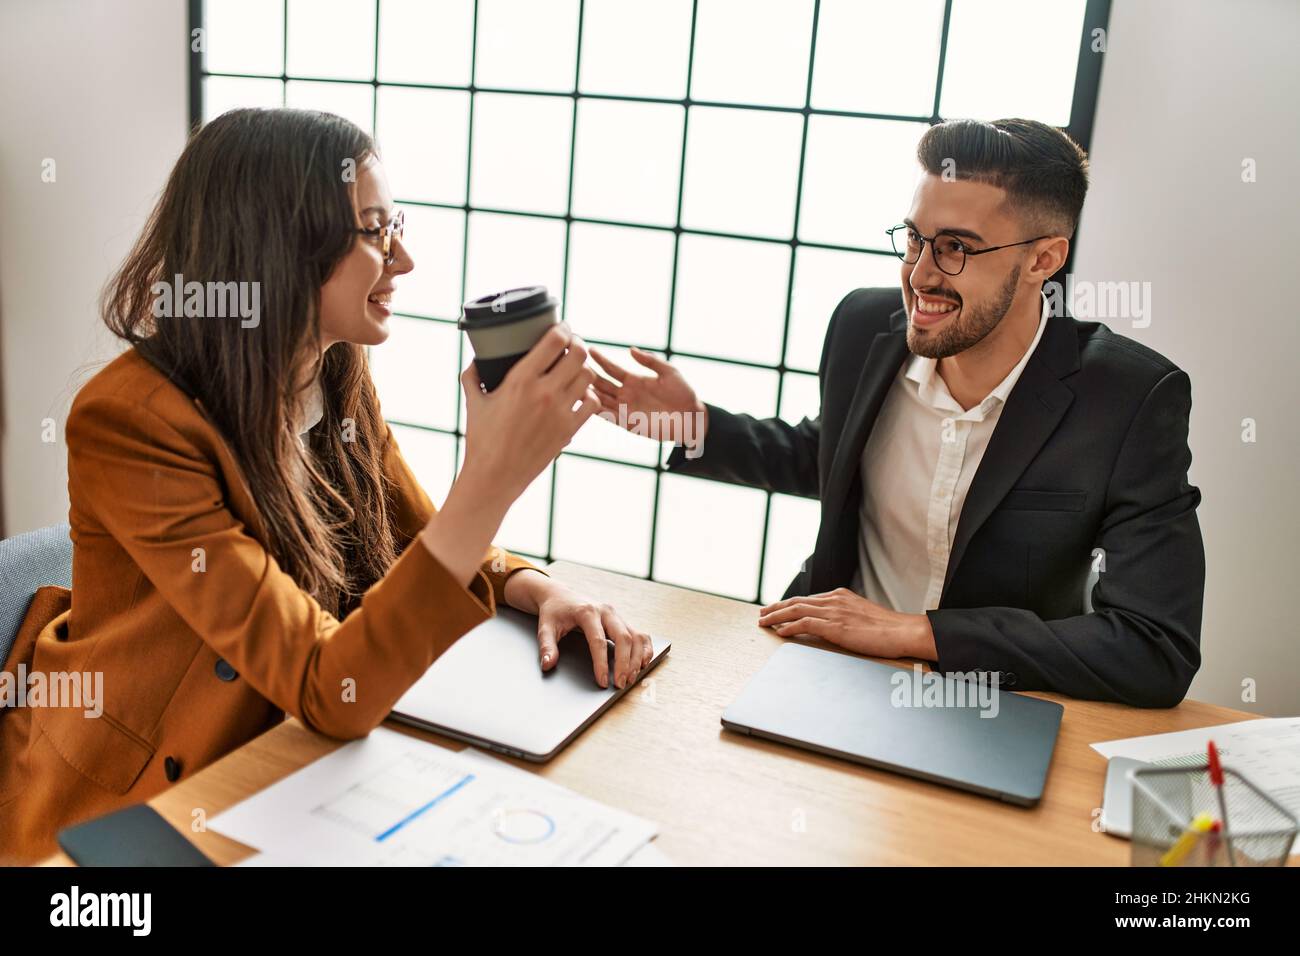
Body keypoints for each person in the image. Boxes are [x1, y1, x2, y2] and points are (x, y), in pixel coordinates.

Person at [0, 108, 652, 863]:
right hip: (140, 796)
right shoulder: (130, 423)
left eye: (394, 223)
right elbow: (326, 688)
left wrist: (535, 586)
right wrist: (493, 479)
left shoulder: (331, 364)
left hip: (288, 763)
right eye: (374, 232)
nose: (403, 259)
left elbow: (416, 533)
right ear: (283, 250)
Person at [592, 117, 1204, 708]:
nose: (919, 274)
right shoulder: (864, 328)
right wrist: (695, 426)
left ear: (1043, 260)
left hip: (993, 703)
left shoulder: (1128, 399)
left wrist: (914, 633)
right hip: (824, 669)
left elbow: (1154, 647)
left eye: (956, 248)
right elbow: (830, 459)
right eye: (914, 238)